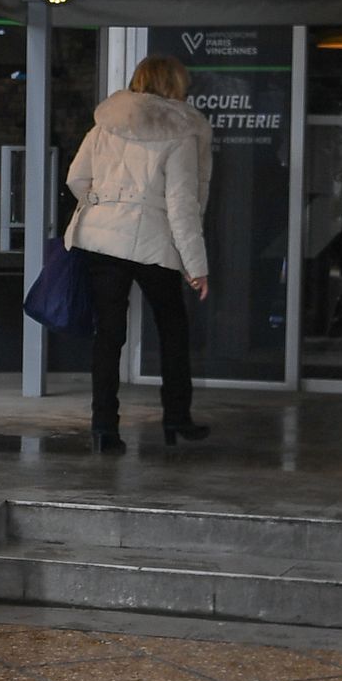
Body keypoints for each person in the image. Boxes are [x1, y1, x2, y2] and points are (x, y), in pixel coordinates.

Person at [65, 54, 212, 453]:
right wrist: (195, 266)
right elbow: (182, 202)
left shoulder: (106, 123)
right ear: (175, 84)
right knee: (172, 328)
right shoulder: (179, 131)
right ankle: (177, 417)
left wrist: (105, 206)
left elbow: (76, 178)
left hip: (103, 241)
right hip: (153, 241)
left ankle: (104, 427)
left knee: (109, 335)